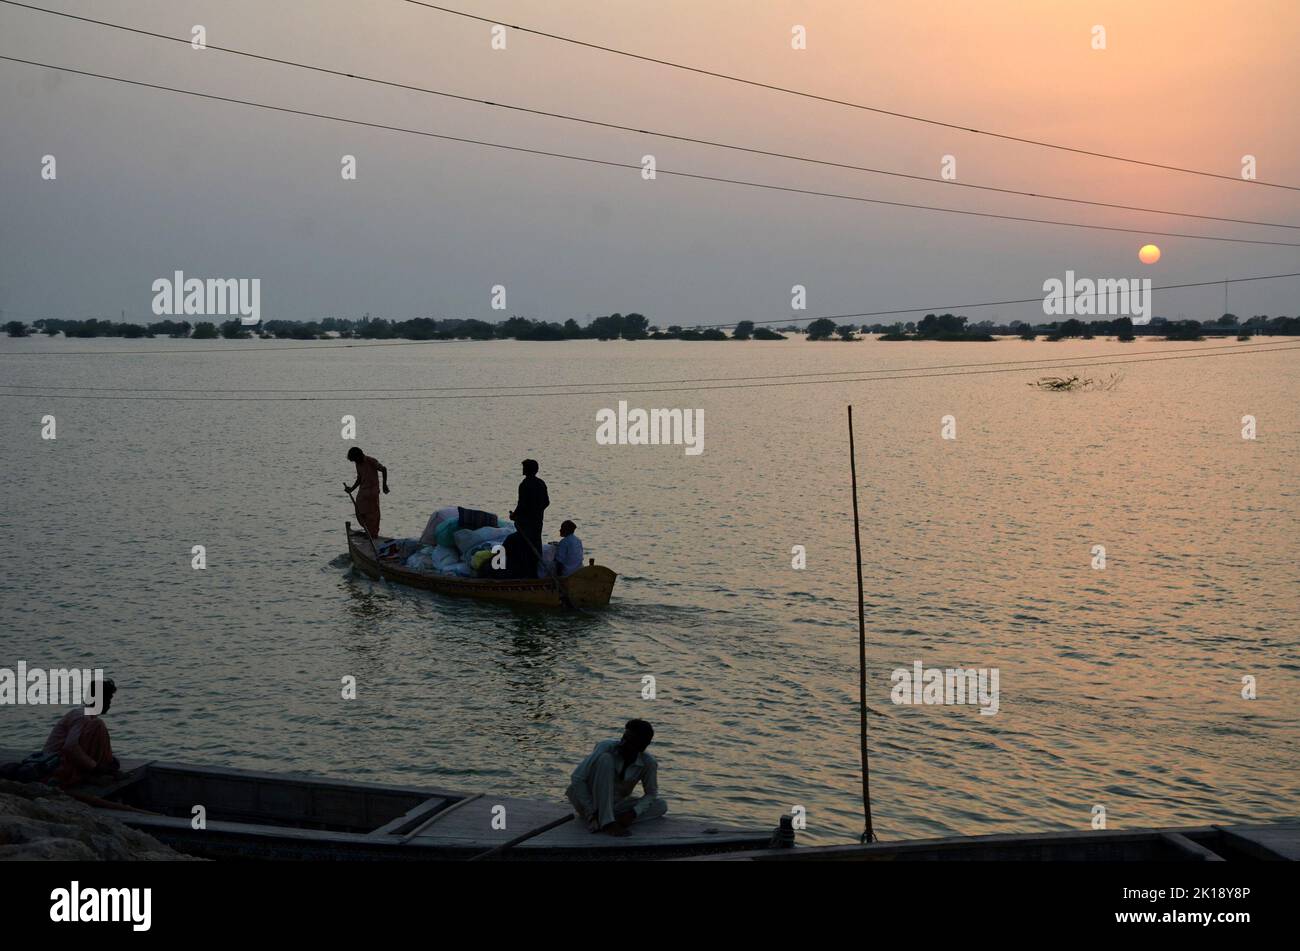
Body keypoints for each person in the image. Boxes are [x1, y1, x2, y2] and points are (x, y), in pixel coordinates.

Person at [565, 719, 667, 836]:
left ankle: (609, 820)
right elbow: (577, 778)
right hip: (588, 804)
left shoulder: (648, 763)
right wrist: (591, 812)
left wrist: (633, 813)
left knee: (661, 805)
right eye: (624, 738)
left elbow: (651, 794)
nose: (623, 744)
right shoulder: (606, 747)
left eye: (630, 741)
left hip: (614, 806)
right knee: (606, 759)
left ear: (642, 746)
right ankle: (606, 822)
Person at [43, 679, 120, 788]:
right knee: (98, 724)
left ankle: (97, 768)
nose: (109, 704)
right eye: (108, 699)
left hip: (61, 761)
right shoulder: (82, 716)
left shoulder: (88, 716)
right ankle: (89, 774)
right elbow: (70, 746)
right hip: (54, 764)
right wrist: (96, 767)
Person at [508, 458, 548, 577]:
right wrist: (537, 511)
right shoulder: (541, 483)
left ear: (528, 470)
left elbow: (522, 504)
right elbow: (546, 502)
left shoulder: (525, 484)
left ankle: (526, 574)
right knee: (535, 544)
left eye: (524, 468)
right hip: (537, 521)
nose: (523, 470)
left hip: (526, 523)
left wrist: (514, 515)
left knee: (524, 546)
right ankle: (535, 572)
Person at [344, 447, 388, 538]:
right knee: (360, 511)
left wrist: (384, 485)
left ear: (360, 455)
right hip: (363, 492)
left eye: (355, 459)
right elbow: (359, 478)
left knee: (373, 514)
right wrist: (351, 489)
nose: (355, 461)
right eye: (354, 460)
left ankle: (373, 534)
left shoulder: (371, 461)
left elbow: (384, 469)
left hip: (372, 492)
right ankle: (368, 531)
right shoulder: (358, 464)